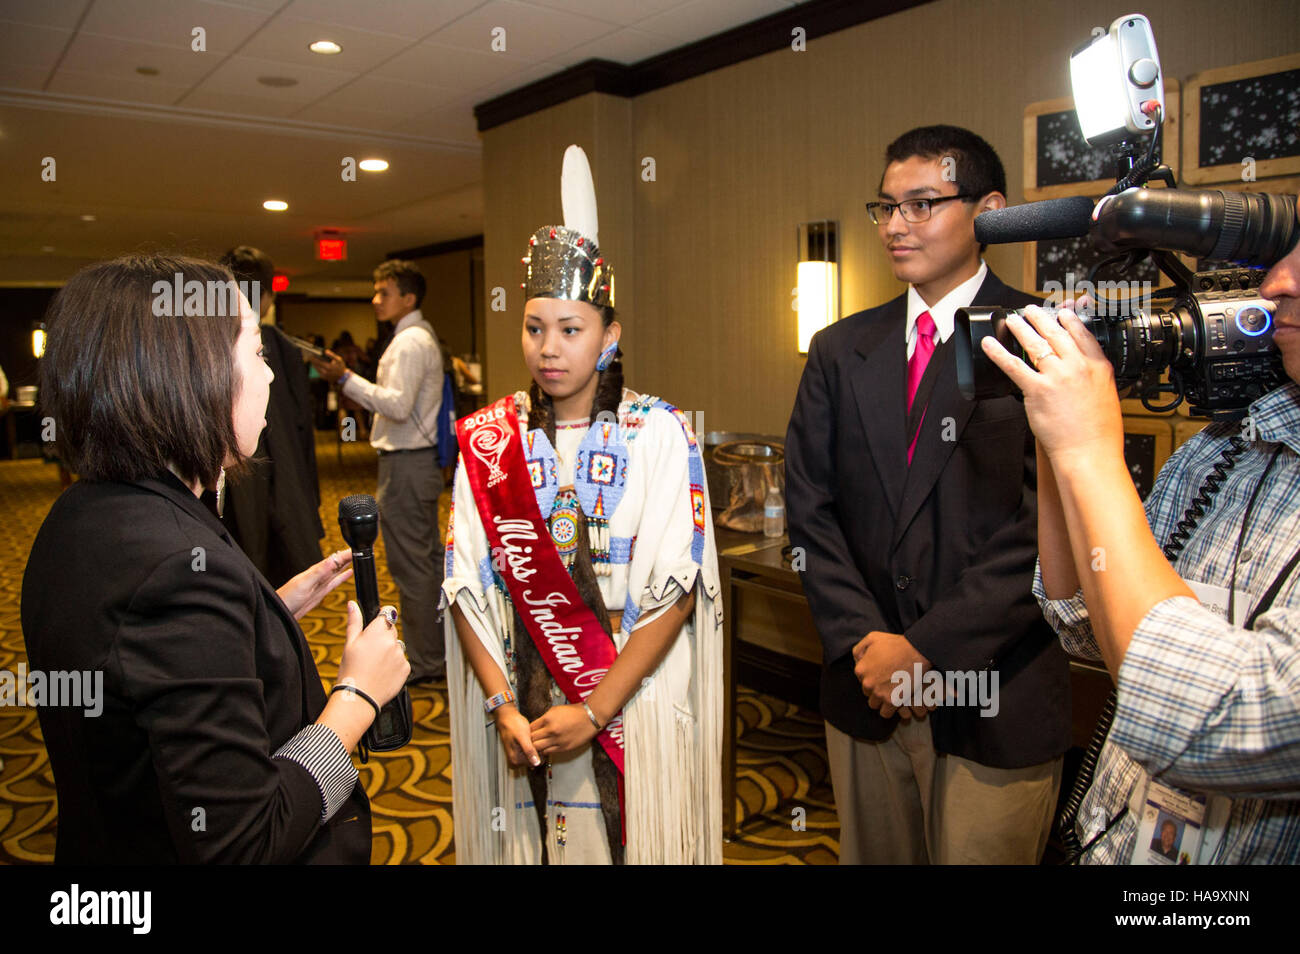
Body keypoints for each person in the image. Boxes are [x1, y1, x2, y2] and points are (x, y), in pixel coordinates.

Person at [21, 255, 410, 863]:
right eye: (255, 354)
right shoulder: (175, 573)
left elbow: (144, 674)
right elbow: (246, 843)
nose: (273, 378)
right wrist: (357, 699)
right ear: (191, 375)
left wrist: (264, 612)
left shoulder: (81, 513)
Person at [985, 195, 1300, 864]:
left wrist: (1088, 450)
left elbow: (1221, 720)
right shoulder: (1224, 451)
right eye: (1279, 258)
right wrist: (1053, 431)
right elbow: (1079, 618)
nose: (1277, 283)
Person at [785, 125, 1070, 864]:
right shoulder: (840, 351)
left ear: (991, 212)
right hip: (866, 689)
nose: (896, 226)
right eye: (885, 207)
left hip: (994, 689)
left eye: (922, 204)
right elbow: (810, 511)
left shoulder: (1045, 338)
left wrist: (926, 650)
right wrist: (870, 647)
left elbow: (1049, 523)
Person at [441, 145, 723, 864]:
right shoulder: (490, 440)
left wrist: (597, 710)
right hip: (523, 712)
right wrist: (503, 704)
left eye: (571, 330)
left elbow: (675, 595)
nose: (548, 349)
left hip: (632, 709)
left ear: (609, 335)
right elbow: (466, 584)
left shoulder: (658, 432)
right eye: (535, 328)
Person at [312, 261, 446, 684]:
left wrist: (346, 378)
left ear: (408, 298)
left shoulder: (409, 342)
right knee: (424, 564)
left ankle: (427, 661)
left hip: (407, 465)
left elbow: (396, 406)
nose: (375, 300)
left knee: (413, 568)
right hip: (413, 463)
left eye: (383, 292)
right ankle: (436, 652)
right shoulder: (413, 338)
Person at [218, 246, 324, 583]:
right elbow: (301, 427)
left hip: (237, 475)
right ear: (266, 295)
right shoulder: (281, 347)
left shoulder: (210, 343)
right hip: (276, 473)